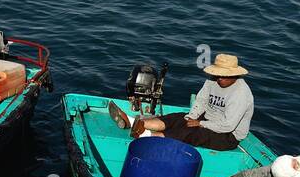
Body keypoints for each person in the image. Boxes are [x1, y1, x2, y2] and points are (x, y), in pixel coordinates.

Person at [107, 53, 254, 151]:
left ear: (235, 75)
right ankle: (132, 122)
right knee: (177, 118)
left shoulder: (241, 93)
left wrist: (200, 123)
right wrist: (192, 116)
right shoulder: (213, 80)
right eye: (218, 75)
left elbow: (228, 125)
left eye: (224, 76)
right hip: (208, 119)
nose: (220, 78)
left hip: (227, 136)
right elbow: (201, 100)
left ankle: (144, 136)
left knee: (189, 132)